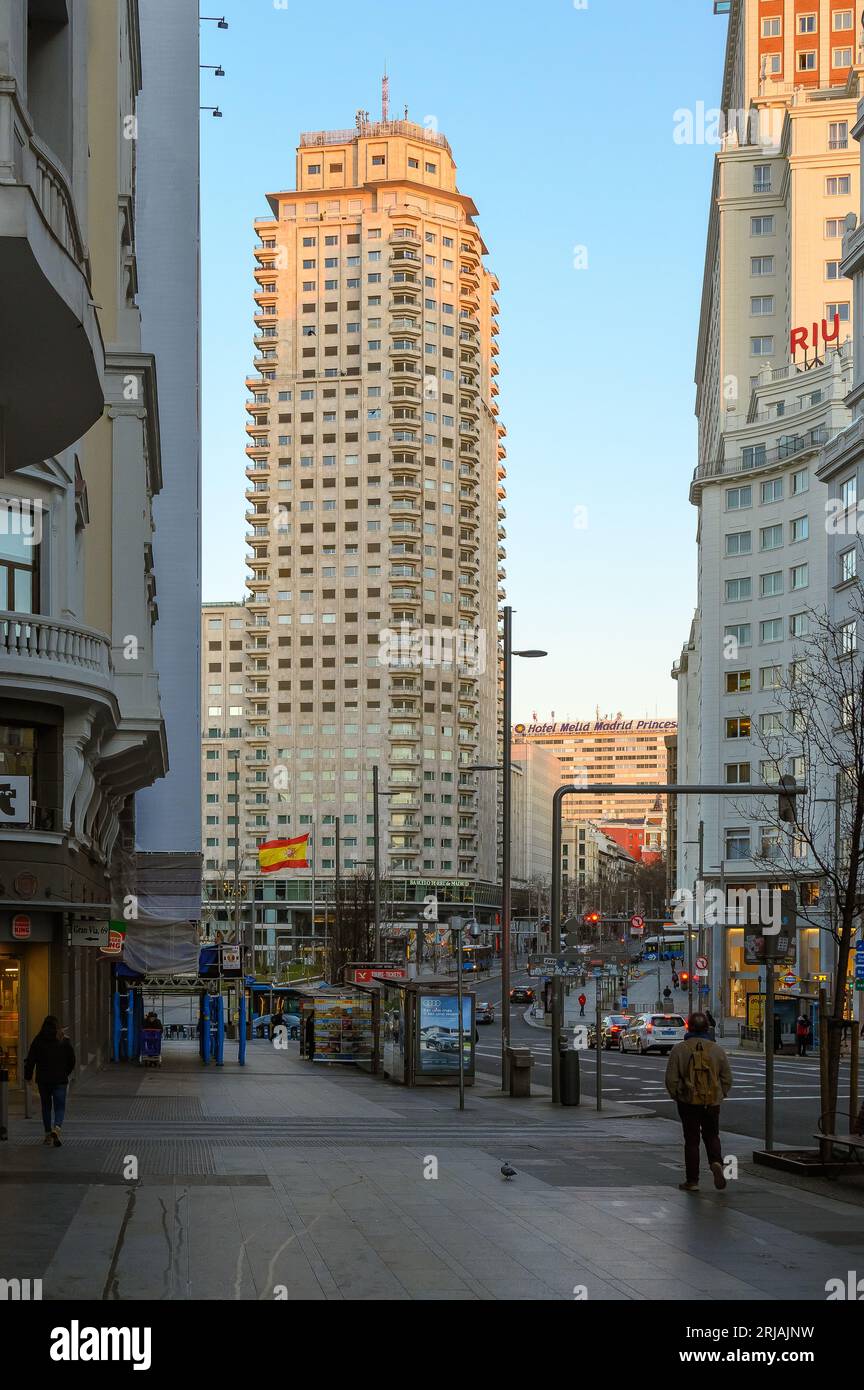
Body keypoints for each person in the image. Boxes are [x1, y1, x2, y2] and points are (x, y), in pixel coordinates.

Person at [664, 1011, 733, 1192]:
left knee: (692, 1140)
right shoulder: (717, 1050)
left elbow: (671, 1079)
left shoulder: (679, 1049)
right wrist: (720, 1094)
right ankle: (716, 1163)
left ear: (689, 1027)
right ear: (707, 1028)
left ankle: (692, 1181)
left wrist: (677, 1095)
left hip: (688, 1101)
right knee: (712, 1135)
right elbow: (727, 1077)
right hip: (712, 1101)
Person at [24, 1015, 75, 1148]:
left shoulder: (38, 1040)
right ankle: (56, 1129)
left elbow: (30, 1060)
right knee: (60, 1107)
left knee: (46, 1107)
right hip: (60, 1080)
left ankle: (47, 1135)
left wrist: (28, 1076)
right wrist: (66, 1073)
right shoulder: (63, 1040)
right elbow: (72, 1060)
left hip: (44, 1080)